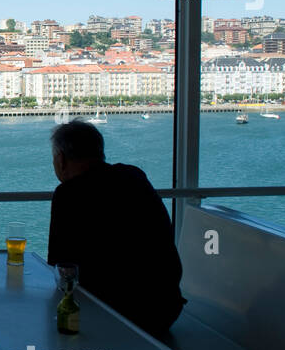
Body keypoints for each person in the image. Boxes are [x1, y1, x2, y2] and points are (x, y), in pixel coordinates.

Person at [46, 119, 186, 338]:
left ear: (61, 159)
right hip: (164, 309)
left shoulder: (69, 194)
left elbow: (62, 266)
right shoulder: (134, 176)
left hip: (114, 313)